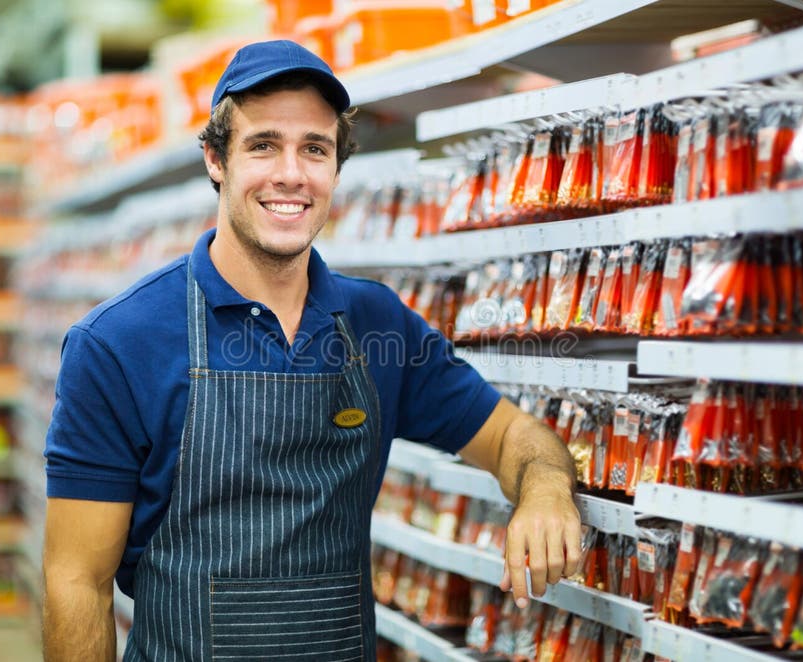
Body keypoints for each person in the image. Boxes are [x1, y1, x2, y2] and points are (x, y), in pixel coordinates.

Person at [41, 39, 582, 662]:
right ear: (217, 159)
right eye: (263, 144)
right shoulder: (118, 342)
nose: (291, 174)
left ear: (335, 169)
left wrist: (544, 491)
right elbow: (77, 581)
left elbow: (514, 435)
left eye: (315, 149)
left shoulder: (379, 326)